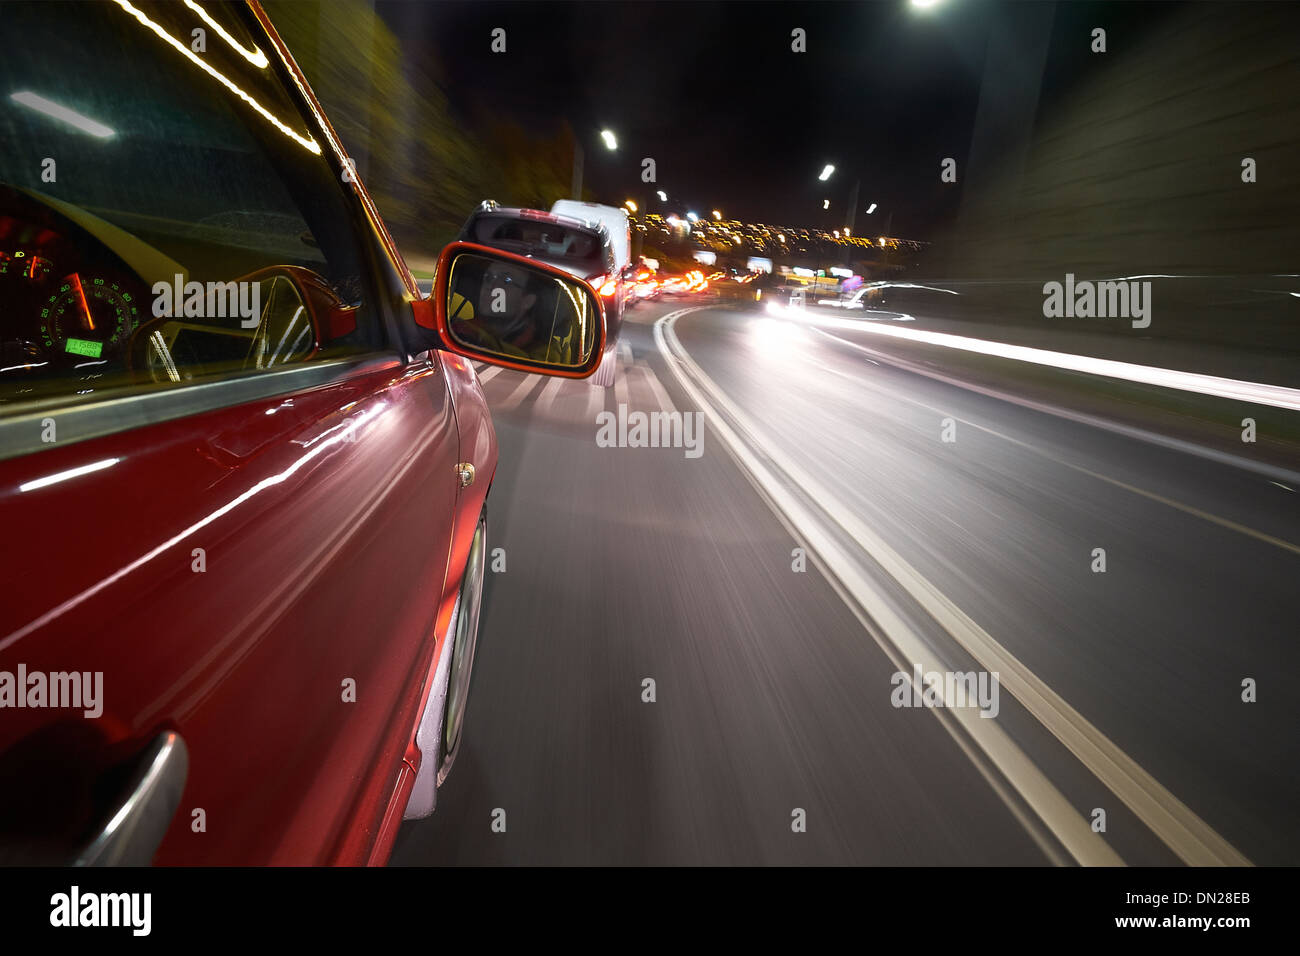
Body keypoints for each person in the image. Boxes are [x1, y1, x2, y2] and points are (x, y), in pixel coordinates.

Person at [448, 259, 579, 364]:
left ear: (527, 301)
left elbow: (532, 364)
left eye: (506, 281)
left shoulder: (547, 351)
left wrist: (480, 338)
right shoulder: (458, 329)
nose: (491, 286)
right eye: (489, 277)